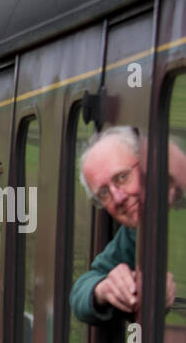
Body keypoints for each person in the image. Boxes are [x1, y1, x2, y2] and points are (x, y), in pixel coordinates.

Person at [70, 125, 186, 325]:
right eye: (104, 193)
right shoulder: (137, 230)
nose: (118, 197)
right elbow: (81, 291)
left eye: (122, 177)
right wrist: (104, 288)